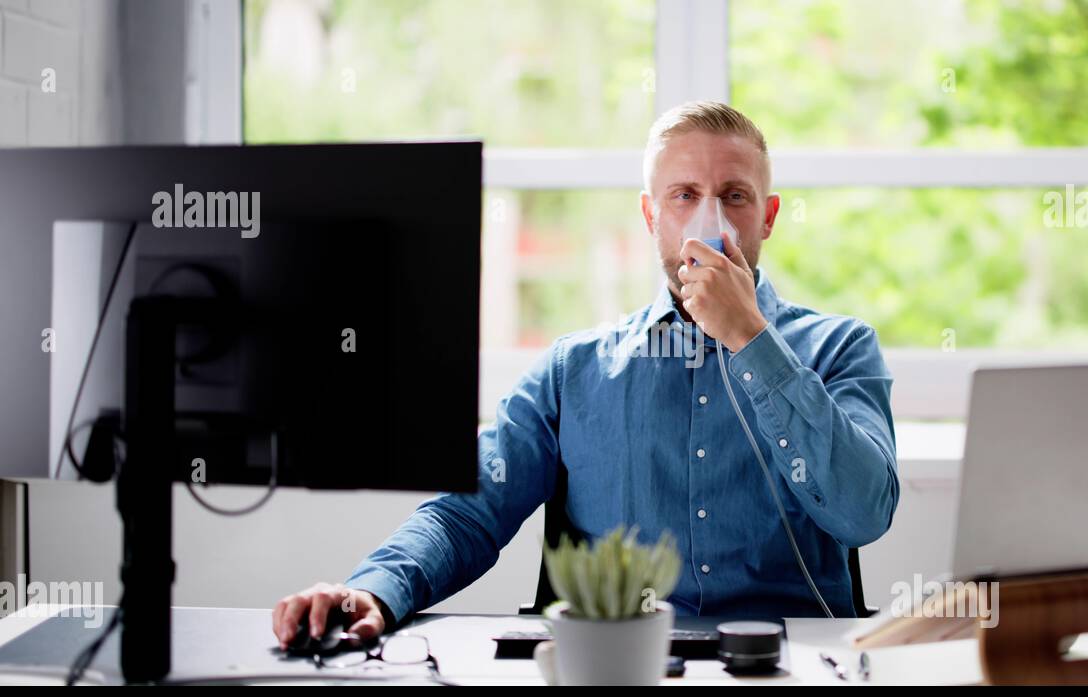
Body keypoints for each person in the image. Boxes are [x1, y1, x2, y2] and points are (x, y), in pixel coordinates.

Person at [271, 101, 899, 648]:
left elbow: (865, 512)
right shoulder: (576, 369)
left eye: (735, 196)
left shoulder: (841, 348)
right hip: (618, 664)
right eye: (685, 196)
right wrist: (375, 592)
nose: (712, 222)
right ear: (652, 216)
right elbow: (468, 510)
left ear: (768, 216)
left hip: (785, 665)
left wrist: (751, 339)